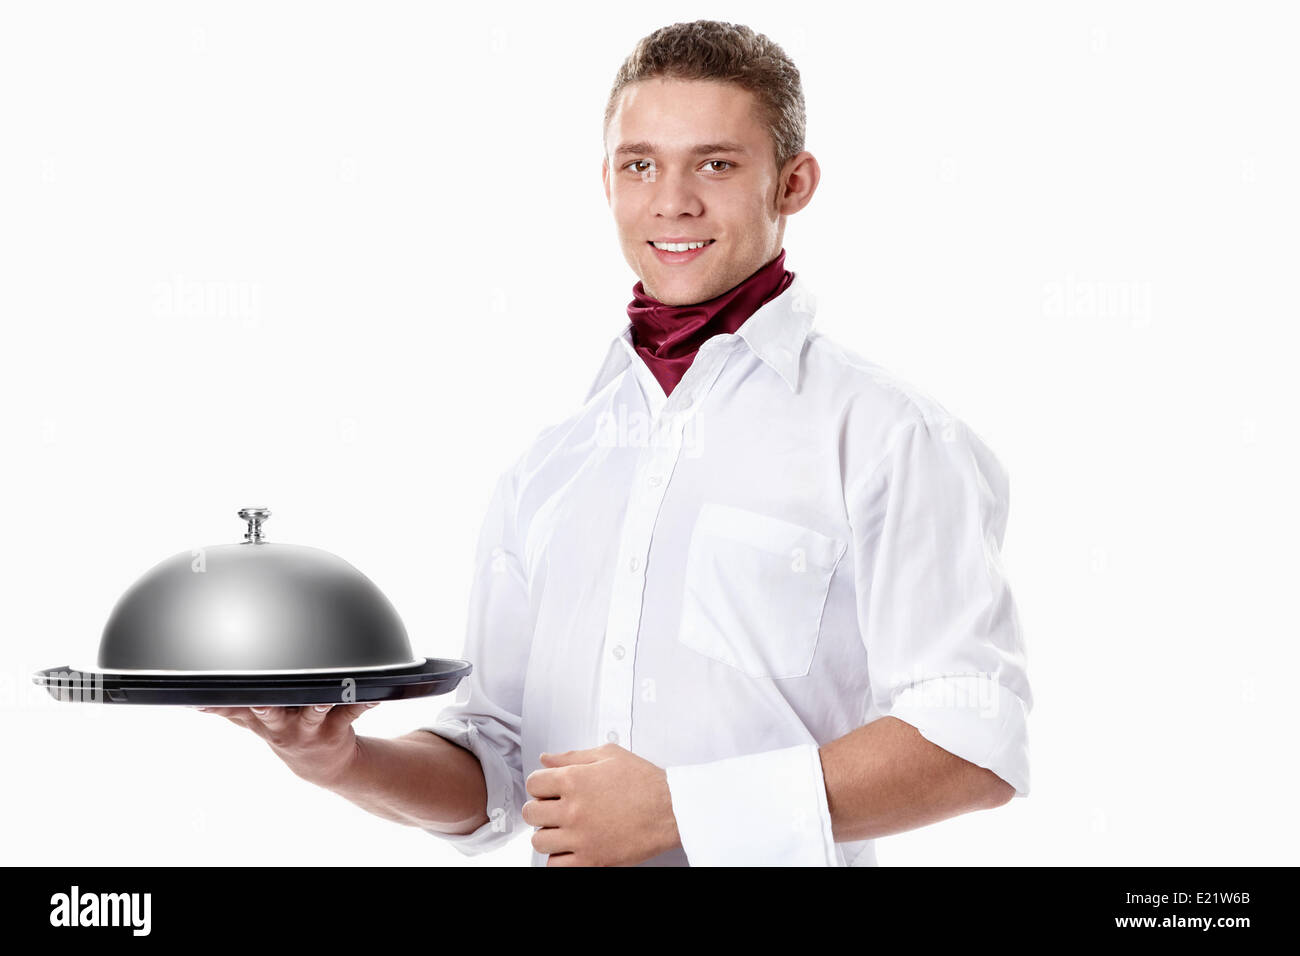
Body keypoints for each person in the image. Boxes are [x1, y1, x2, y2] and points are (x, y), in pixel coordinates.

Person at [200, 19, 1032, 867]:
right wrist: (335, 759)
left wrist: (684, 811)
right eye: (641, 165)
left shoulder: (892, 437)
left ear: (793, 182)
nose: (672, 201)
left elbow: (973, 741)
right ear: (607, 181)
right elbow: (499, 768)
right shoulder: (550, 469)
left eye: (715, 162)